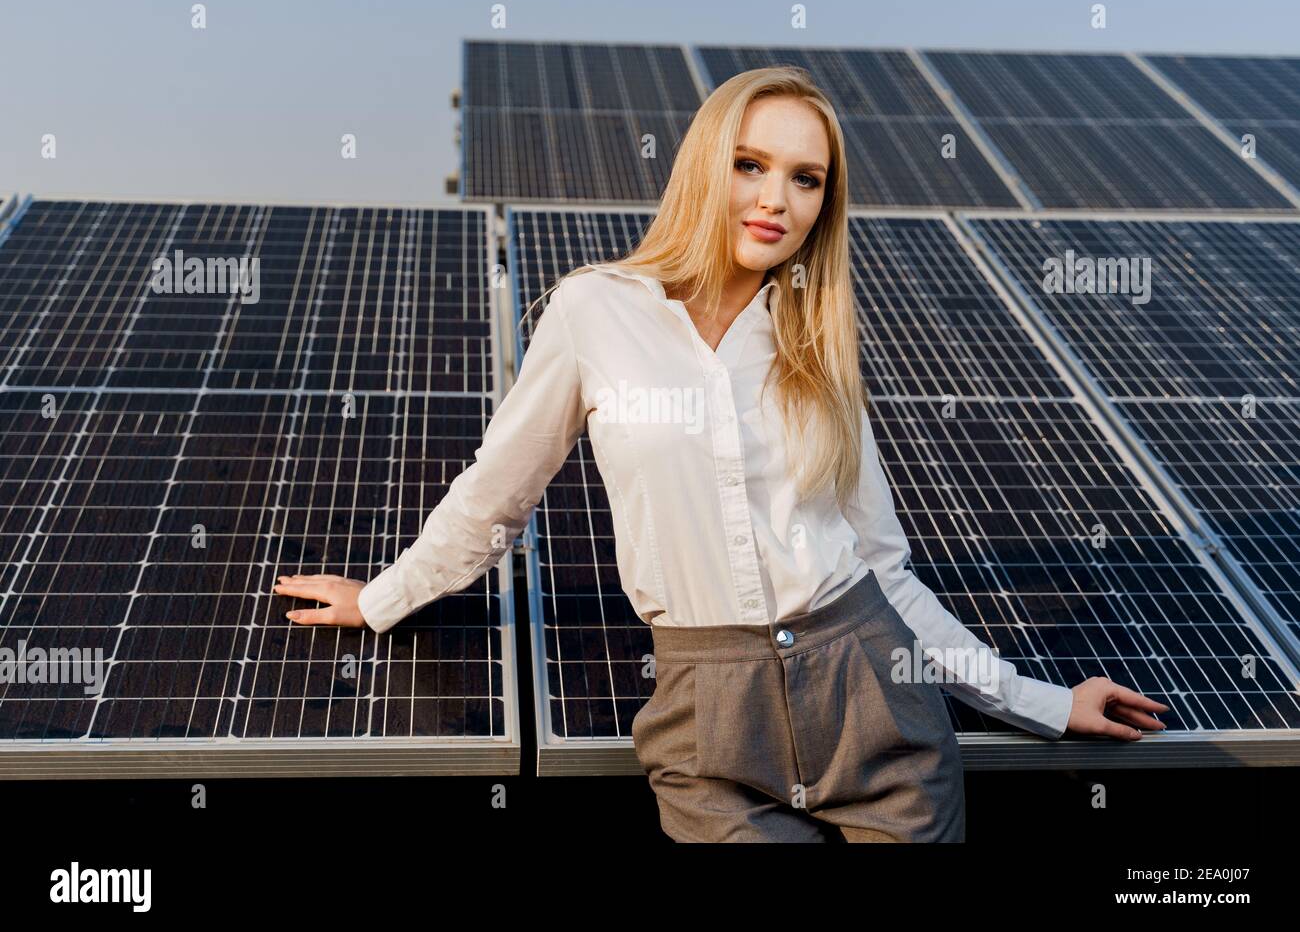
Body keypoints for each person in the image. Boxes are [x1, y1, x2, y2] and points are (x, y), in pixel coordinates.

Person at [274, 65, 1170, 842]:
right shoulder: (596, 312)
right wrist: (382, 600)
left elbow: (885, 573)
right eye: (751, 165)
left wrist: (1045, 703)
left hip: (873, 703)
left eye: (806, 178)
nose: (777, 199)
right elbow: (497, 495)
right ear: (706, 164)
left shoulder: (815, 341)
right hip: (708, 719)